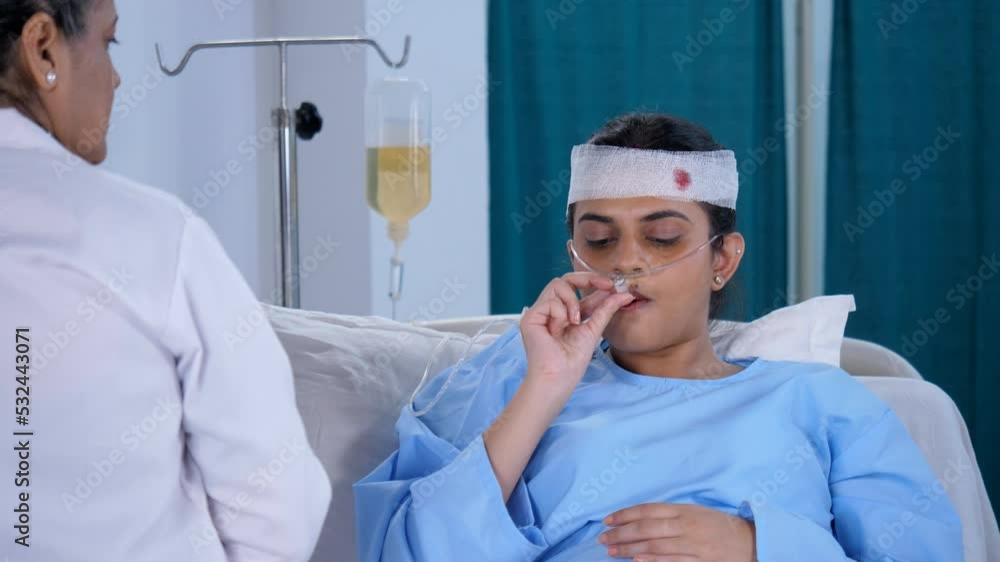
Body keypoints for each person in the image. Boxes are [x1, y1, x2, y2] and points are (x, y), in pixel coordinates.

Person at [354, 113, 963, 561]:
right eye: (599, 239)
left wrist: (759, 547)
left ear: (722, 257)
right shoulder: (504, 381)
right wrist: (545, 387)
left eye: (663, 237)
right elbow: (410, 554)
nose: (627, 263)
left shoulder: (825, 403)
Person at [0, 0, 331, 560]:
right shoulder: (152, 237)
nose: (117, 75)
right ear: (43, 46)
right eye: (110, 42)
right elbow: (279, 504)